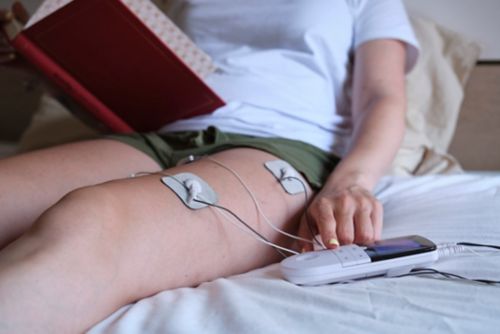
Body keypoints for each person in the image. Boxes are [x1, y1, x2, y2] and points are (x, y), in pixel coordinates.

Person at [0, 0, 418, 332]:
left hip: (280, 147)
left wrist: (351, 183)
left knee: (91, 221)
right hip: (163, 134)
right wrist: (46, 66)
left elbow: (383, 97)